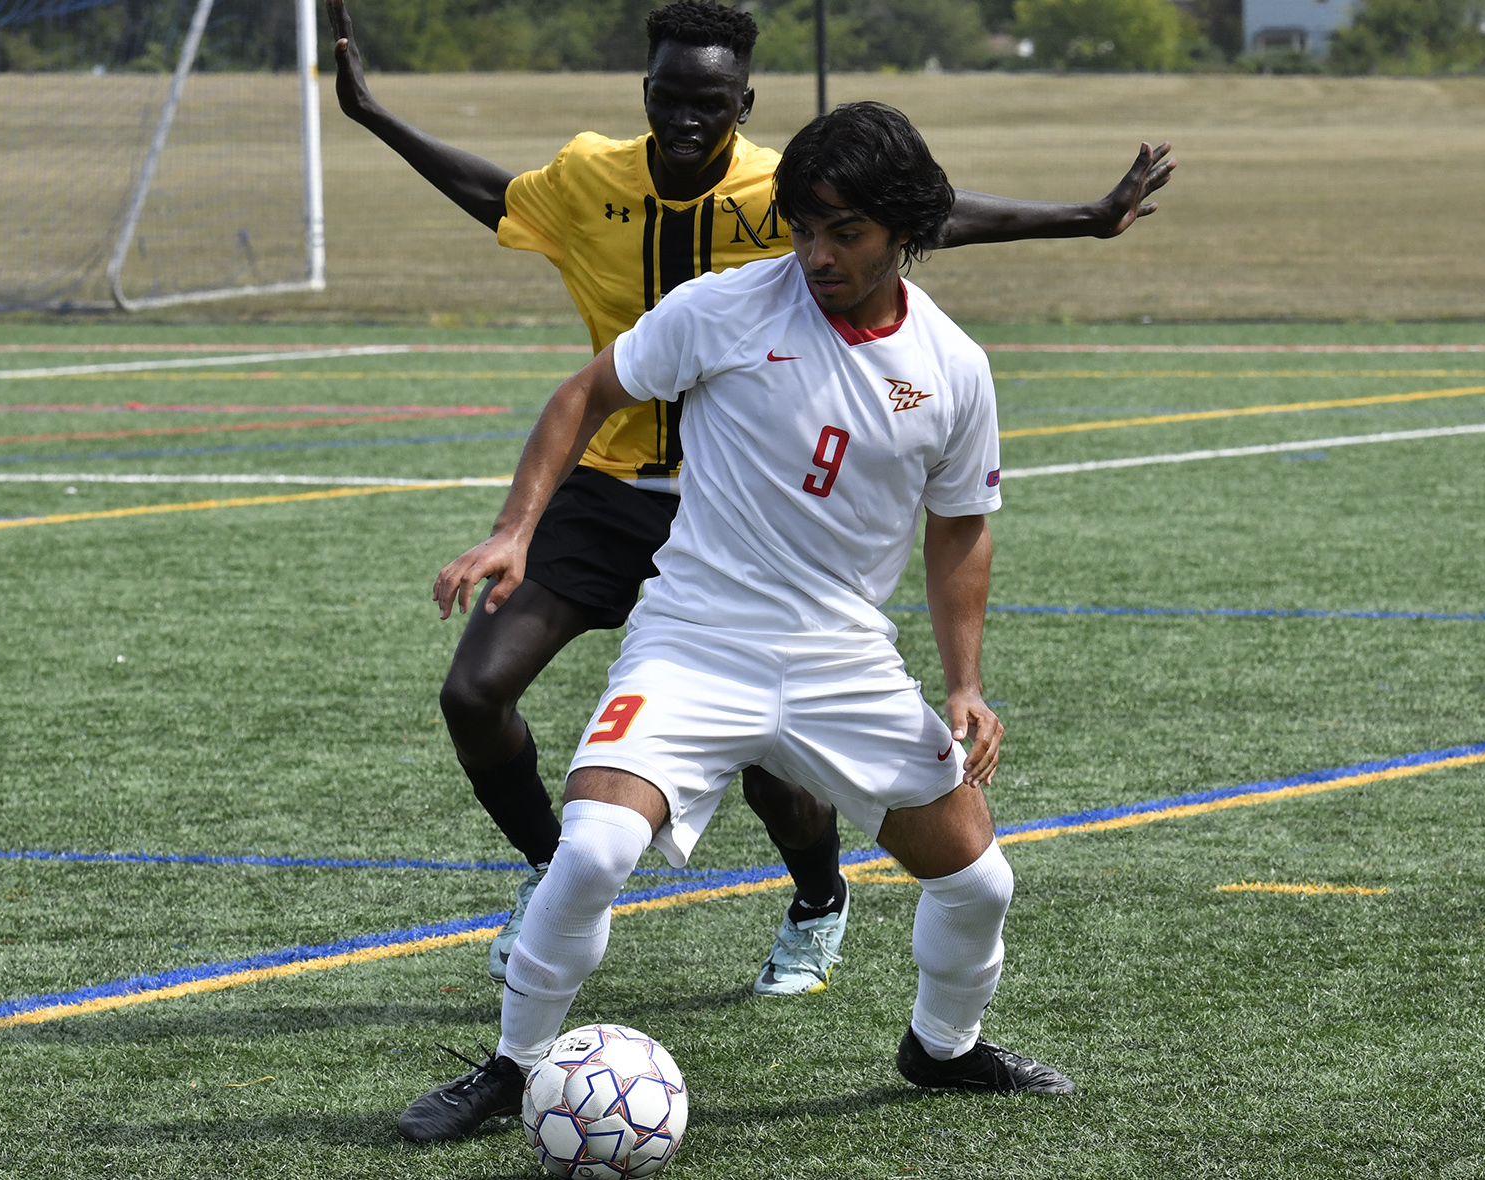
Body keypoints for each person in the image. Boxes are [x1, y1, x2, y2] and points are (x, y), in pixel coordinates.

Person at [328, 0, 1174, 997]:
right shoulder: (589, 175)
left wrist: (1081, 216)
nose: (687, 118)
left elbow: (930, 215)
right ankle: (555, 873)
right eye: (669, 97)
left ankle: (817, 897)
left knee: (780, 757)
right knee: (474, 690)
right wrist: (375, 116)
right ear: (645, 92)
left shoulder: (788, 189)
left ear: (745, 102)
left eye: (711, 101)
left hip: (741, 504)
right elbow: (495, 195)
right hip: (612, 489)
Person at [402, 98, 1073, 1144]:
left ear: (906, 229)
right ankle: (512, 1064)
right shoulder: (726, 308)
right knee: (589, 853)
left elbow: (960, 530)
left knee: (982, 879)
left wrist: (965, 684)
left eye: (843, 232)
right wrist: (516, 527)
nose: (816, 254)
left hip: (842, 662)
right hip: (694, 641)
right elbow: (587, 392)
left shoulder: (954, 368)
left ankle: (943, 1048)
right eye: (803, 228)